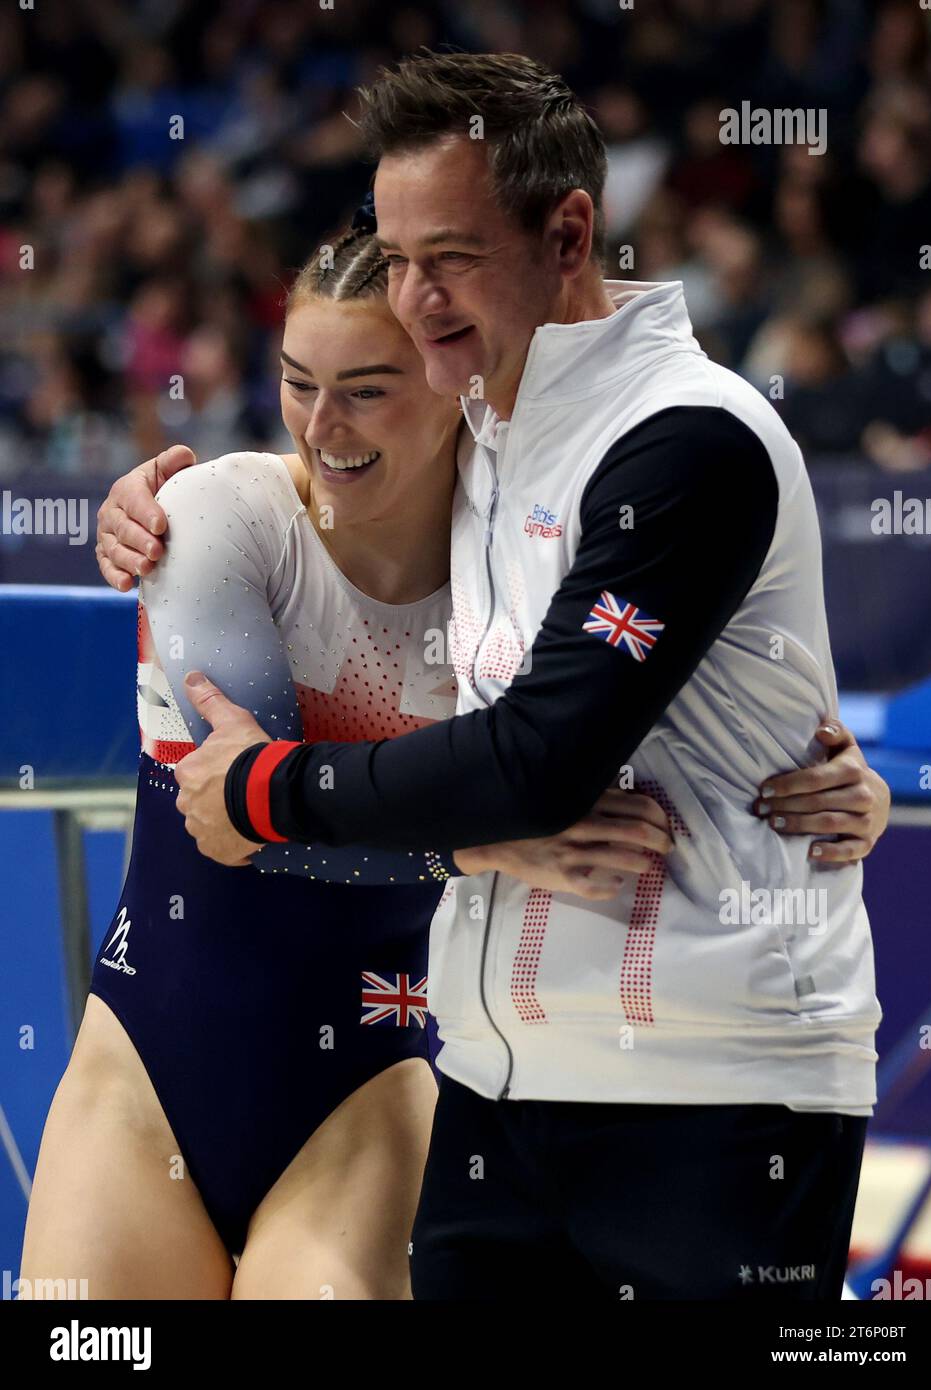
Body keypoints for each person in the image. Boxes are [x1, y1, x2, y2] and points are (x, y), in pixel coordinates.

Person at [97, 54, 891, 1304]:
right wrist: (159, 506)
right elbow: (337, 456)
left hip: (714, 1095)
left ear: (569, 230)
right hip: (492, 1091)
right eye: (397, 255)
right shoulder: (484, 428)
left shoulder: (690, 434)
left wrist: (267, 791)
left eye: (448, 257)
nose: (413, 299)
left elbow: (540, 756)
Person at [22, 226, 672, 1301]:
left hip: (369, 1092)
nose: (323, 428)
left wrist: (821, 774)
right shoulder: (219, 519)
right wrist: (482, 842)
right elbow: (242, 828)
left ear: (453, 379)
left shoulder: (524, 563)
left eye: (365, 390)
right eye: (296, 382)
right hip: (144, 1073)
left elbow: (674, 701)